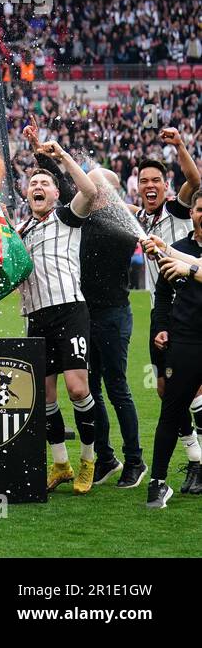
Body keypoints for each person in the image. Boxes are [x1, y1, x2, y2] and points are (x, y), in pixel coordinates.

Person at [16, 140, 100, 494]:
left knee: (77, 387)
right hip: (36, 316)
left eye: (44, 183)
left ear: (55, 193)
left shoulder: (67, 217)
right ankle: (61, 463)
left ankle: (88, 460)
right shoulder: (19, 232)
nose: (38, 186)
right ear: (27, 192)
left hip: (70, 310)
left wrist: (61, 156)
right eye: (33, 183)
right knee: (46, 397)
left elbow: (91, 190)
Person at [133, 134, 202, 472]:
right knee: (165, 391)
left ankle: (197, 463)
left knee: (193, 391)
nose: (150, 185)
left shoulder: (176, 210)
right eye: (144, 180)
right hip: (158, 314)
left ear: (165, 186)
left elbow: (195, 181)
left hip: (189, 314)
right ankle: (194, 455)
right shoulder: (139, 220)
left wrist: (178, 147)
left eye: (156, 180)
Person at [143, 197, 202, 506]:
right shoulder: (181, 246)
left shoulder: (187, 259)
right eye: (200, 209)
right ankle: (157, 482)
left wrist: (186, 266)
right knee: (171, 410)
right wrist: (165, 248)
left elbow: (194, 268)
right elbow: (163, 297)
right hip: (187, 340)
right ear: (191, 213)